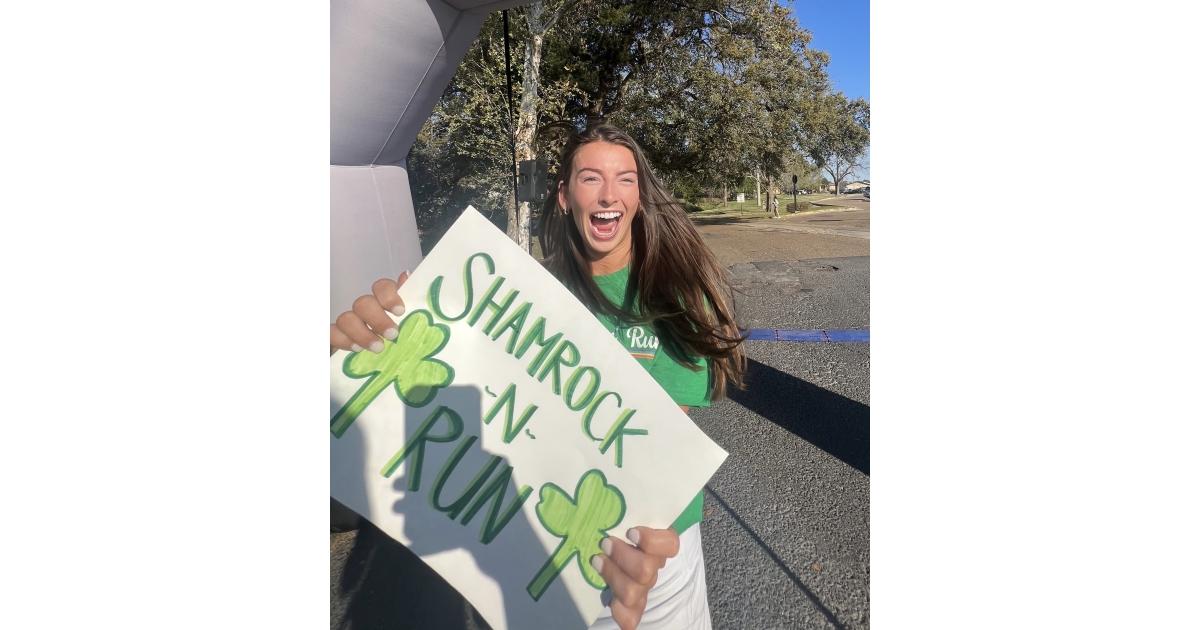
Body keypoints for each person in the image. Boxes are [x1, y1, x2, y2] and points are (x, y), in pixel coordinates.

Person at [330, 124, 747, 630]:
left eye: (626, 179)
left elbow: (651, 457)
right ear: (566, 197)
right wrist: (380, 345)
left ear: (640, 196)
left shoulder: (674, 295)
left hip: (654, 558)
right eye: (591, 178)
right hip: (537, 553)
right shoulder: (520, 297)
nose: (609, 194)